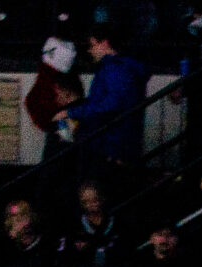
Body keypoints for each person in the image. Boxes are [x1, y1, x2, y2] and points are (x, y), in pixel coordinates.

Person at [61, 28, 150, 179]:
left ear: (105, 43)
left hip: (110, 146)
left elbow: (110, 105)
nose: (89, 50)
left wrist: (71, 112)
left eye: (92, 45)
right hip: (119, 145)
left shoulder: (114, 69)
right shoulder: (123, 68)